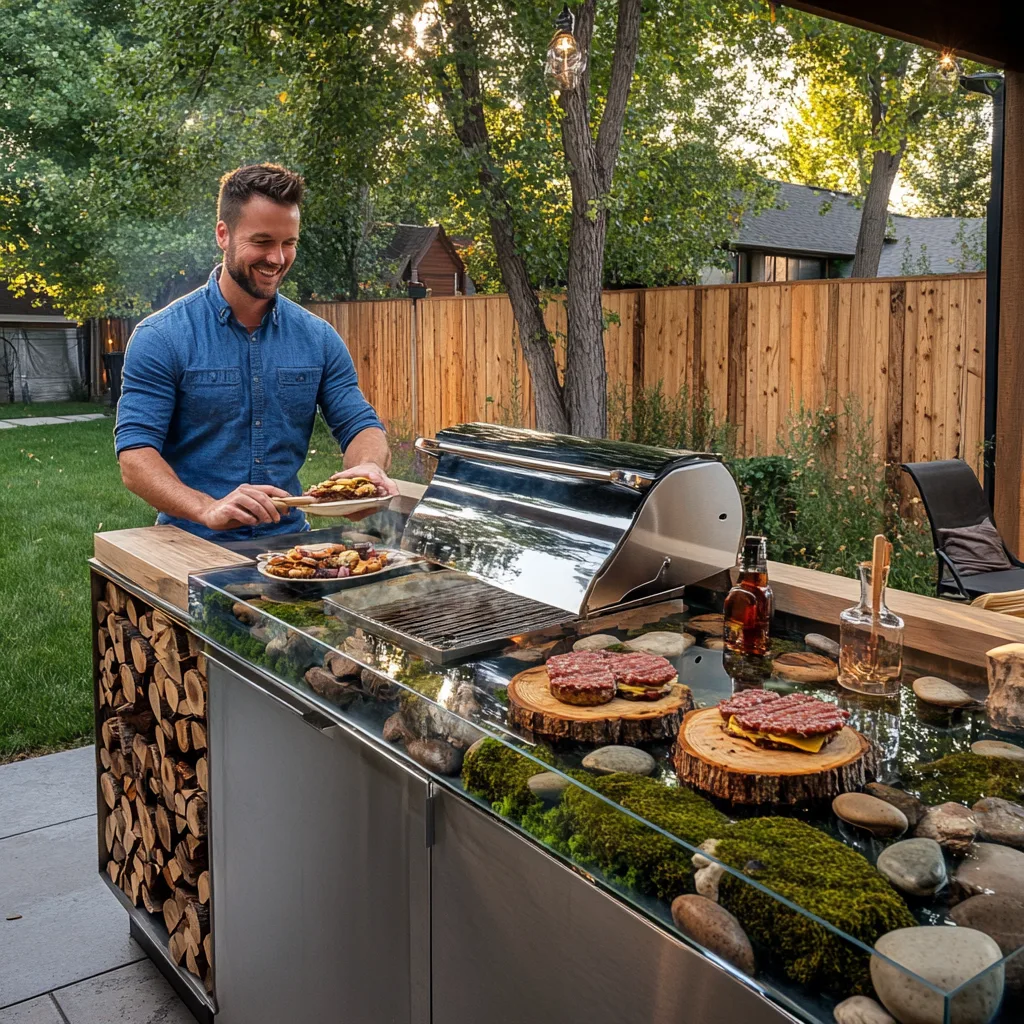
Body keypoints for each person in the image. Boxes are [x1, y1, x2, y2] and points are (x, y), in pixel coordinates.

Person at [114, 163, 396, 540]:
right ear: (223, 234)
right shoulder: (161, 336)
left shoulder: (319, 338)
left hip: (288, 542)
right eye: (262, 242)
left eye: (288, 243)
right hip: (190, 541)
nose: (277, 258)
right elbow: (135, 456)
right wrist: (206, 508)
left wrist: (368, 469)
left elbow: (360, 425)